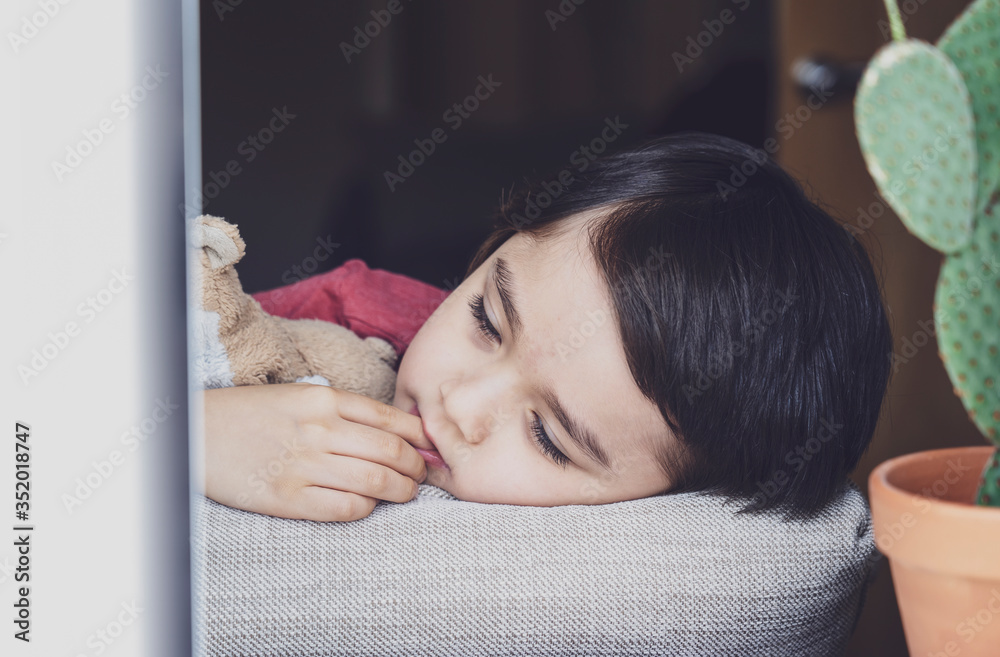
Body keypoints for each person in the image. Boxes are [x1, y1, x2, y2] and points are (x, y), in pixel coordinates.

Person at [202, 131, 893, 523]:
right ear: (494, 247)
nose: (459, 405)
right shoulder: (347, 309)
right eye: (484, 318)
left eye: (547, 435)